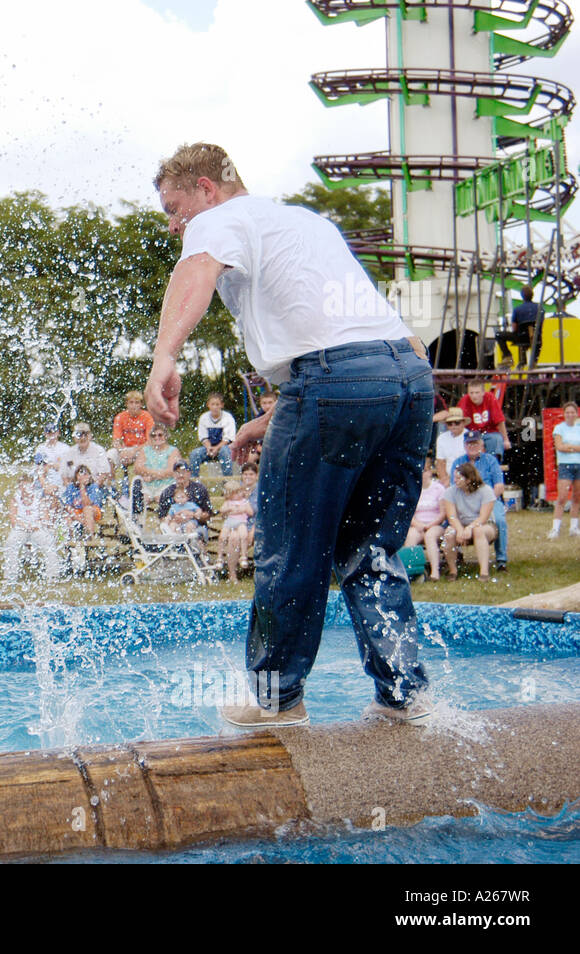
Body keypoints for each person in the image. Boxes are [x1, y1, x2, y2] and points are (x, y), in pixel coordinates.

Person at [146, 141, 433, 727]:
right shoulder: (302, 222)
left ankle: (277, 700)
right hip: (407, 377)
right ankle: (406, 696)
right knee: (370, 548)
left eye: (177, 209)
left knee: (289, 547)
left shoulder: (223, 217)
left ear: (206, 187)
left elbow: (194, 273)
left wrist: (163, 358)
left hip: (337, 383)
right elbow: (342, 337)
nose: (176, 225)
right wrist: (272, 417)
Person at [451, 432, 509, 570]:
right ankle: (455, 556)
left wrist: (486, 502)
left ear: (482, 445)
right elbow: (453, 487)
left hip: (489, 500)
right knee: (450, 520)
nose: (472, 446)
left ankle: (501, 559)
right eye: (469, 443)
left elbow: (499, 486)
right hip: (464, 501)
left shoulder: (491, 461)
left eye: (475, 443)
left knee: (500, 520)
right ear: (464, 445)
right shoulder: (458, 463)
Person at [439, 463, 498, 581]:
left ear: (469, 479)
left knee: (478, 531)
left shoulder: (486, 491)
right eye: (454, 477)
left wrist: (469, 528)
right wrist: (460, 530)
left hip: (485, 525)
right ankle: (452, 570)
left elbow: (483, 517)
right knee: (449, 533)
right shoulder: (451, 492)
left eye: (459, 478)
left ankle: (484, 572)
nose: (455, 480)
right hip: (461, 524)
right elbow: (452, 516)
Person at [2, 472, 60, 583]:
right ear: (19, 486)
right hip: (21, 528)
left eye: (27, 485)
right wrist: (24, 525)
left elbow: (45, 518)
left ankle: (53, 575)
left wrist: (35, 525)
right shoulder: (15, 499)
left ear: (32, 486)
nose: (25, 488)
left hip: (37, 528)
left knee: (48, 542)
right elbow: (13, 519)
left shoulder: (39, 498)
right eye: (22, 485)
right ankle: (10, 576)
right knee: (11, 542)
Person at [407, 459, 448, 579]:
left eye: (424, 470)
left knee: (430, 536)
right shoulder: (413, 489)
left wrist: (430, 524)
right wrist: (417, 524)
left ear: (430, 472)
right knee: (411, 536)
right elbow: (409, 514)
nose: (422, 473)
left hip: (435, 524)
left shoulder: (438, 488)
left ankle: (435, 571)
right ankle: (413, 570)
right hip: (418, 524)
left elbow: (443, 513)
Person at [130, 424, 182, 512]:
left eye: (160, 435)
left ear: (165, 436)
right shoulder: (145, 450)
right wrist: (155, 474)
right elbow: (137, 468)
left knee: (161, 498)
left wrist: (151, 476)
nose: (157, 437)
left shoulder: (173, 451)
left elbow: (171, 471)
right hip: (147, 485)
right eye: (153, 435)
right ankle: (136, 518)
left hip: (166, 483)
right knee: (137, 486)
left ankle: (165, 519)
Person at [549, 401, 580, 538]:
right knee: (562, 498)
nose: (570, 415)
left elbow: (565, 446)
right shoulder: (559, 428)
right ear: (564, 414)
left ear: (576, 413)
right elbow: (559, 446)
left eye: (572, 412)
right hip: (565, 465)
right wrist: (575, 448)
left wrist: (569, 447)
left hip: (578, 465)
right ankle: (555, 528)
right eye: (567, 412)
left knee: (577, 498)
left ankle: (574, 527)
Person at [458, 382, 510, 460]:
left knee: (497, 439)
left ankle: (492, 464)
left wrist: (506, 440)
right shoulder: (464, 400)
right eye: (471, 393)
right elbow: (459, 421)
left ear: (483, 392)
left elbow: (499, 420)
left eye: (477, 392)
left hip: (490, 432)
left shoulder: (490, 398)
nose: (474, 396)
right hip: (471, 434)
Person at [188, 393, 236, 476]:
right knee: (195, 454)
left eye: (217, 404)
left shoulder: (228, 418)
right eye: (212, 404)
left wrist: (217, 448)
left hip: (224, 447)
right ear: (208, 405)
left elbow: (227, 439)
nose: (215, 407)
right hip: (208, 448)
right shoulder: (204, 418)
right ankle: (193, 480)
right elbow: (203, 437)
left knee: (224, 452)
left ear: (222, 405)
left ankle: (228, 480)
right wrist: (209, 448)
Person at [217, 479, 254, 578]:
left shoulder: (244, 502)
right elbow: (221, 510)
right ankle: (219, 558)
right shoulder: (228, 502)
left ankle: (243, 556)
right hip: (229, 523)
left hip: (241, 522)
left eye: (238, 492)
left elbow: (251, 512)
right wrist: (228, 509)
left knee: (244, 535)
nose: (237, 495)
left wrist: (244, 509)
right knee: (222, 537)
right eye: (234, 493)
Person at [497, 286, 541, 369]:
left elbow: (514, 328)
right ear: (532, 295)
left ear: (522, 296)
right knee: (530, 337)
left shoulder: (517, 310)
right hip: (536, 338)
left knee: (499, 335)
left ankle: (507, 356)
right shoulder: (539, 308)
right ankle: (533, 361)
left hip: (522, 338)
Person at [434, 408, 469, 485]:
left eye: (457, 423)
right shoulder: (441, 438)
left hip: (467, 476)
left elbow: (473, 462)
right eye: (450, 423)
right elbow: (440, 462)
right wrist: (444, 480)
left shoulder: (470, 437)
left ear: (463, 422)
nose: (453, 426)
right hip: (447, 479)